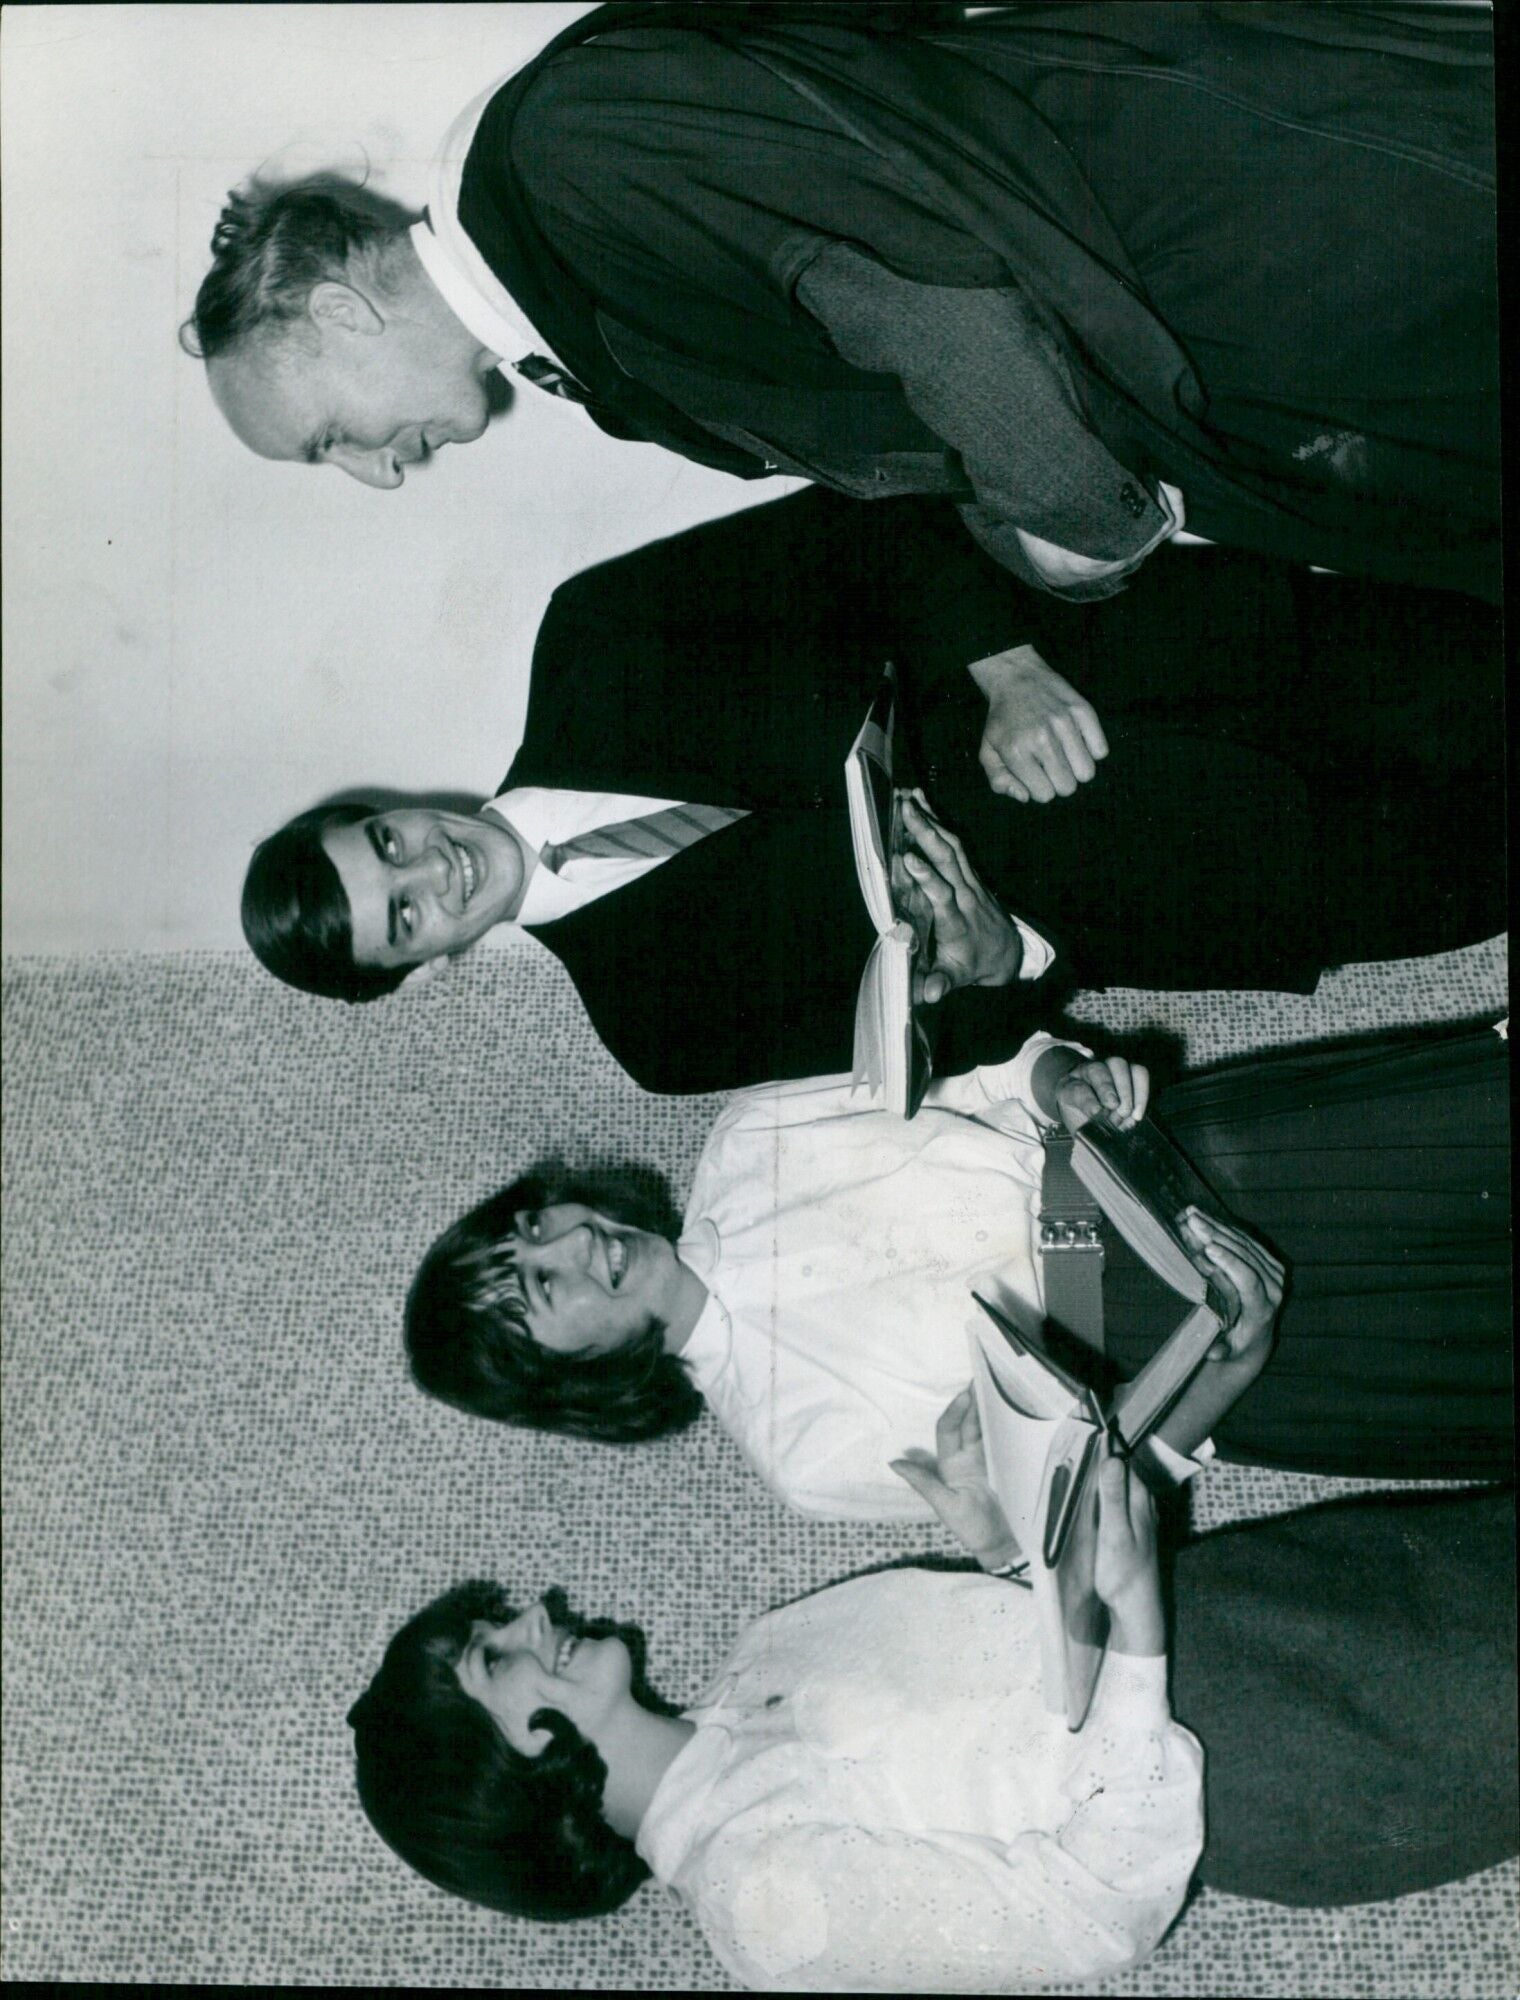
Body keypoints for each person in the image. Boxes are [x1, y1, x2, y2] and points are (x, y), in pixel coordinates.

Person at [186, 6, 1500, 779]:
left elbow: (941, 312)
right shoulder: (565, 277)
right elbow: (925, 437)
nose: (375, 469)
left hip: (1268, 248)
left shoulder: (565, 153)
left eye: (325, 443)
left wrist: (1091, 526)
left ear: (339, 309)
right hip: (1254, 354)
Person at [239, 495, 1505, 1093]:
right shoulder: (661, 1034)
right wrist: (1000, 955)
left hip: (1190, 650)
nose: (430, 869)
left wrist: (1003, 671)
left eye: (386, 842)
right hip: (1223, 888)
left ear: (386, 800)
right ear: (426, 965)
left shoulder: (598, 639)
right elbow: (972, 1050)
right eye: (400, 915)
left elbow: (873, 519)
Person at [346, 1443, 1517, 1982]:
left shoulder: (763, 1650)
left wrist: (1003, 1541)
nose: (528, 1616)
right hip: (1283, 1756)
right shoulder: (761, 1904)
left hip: (1267, 1590)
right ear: (510, 1766)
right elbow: (1090, 1916)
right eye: (492, 1656)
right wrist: (1142, 1629)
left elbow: (1015, 1684)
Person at [405, 1021, 1514, 1502]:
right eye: (538, 1283)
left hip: (1181, 1161)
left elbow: (991, 1071)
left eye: (532, 1224)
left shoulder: (744, 1140)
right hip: (1223, 1347)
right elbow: (1089, 1492)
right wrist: (1233, 1357)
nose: (568, 1238)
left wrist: (1066, 1082)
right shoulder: (797, 1449)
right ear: (571, 1376)